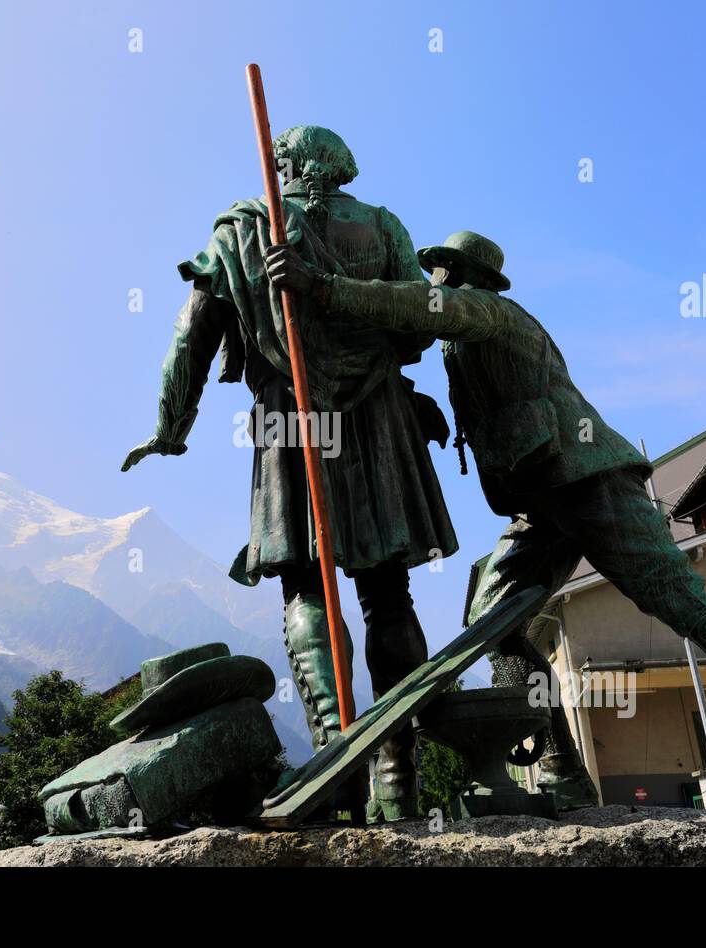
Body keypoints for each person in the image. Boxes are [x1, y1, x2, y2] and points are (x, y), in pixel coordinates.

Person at [265, 230, 706, 822]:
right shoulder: (465, 344)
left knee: (694, 613)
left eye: (442, 270)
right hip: (542, 505)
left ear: (470, 278)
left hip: (589, 482)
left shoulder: (489, 313)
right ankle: (565, 769)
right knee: (493, 620)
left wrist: (320, 285)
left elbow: (418, 307)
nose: (434, 278)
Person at [122, 127, 457, 821]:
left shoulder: (243, 228)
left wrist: (169, 428)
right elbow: (418, 329)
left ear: (293, 166)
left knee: (307, 583)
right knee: (388, 593)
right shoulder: (385, 226)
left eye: (278, 160)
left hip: (290, 416)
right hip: (379, 414)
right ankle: (396, 782)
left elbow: (191, 338)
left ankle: (336, 762)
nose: (270, 166)